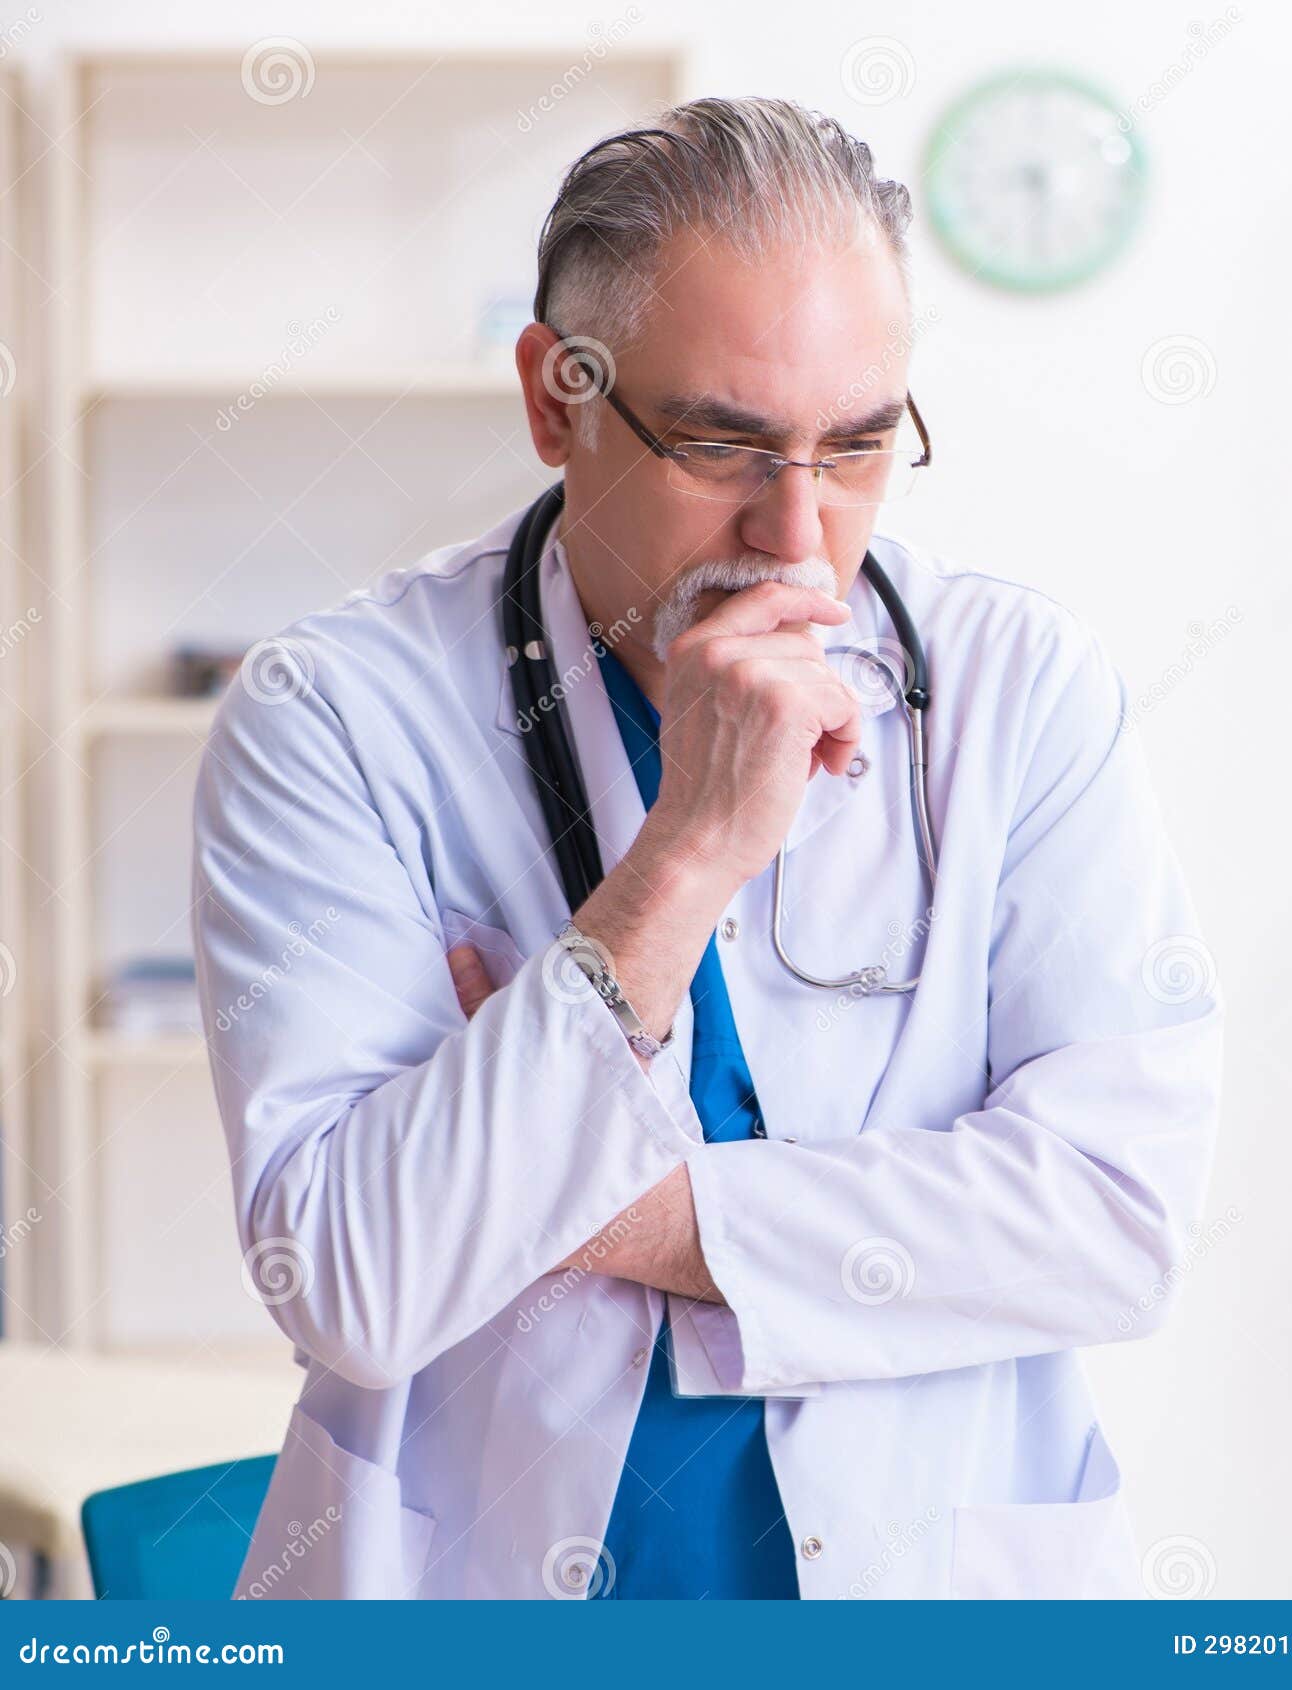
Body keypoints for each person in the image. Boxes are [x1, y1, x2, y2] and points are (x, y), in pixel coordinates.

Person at [192, 95, 1222, 1601]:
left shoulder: (1018, 692)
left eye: (860, 445)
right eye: (722, 445)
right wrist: (677, 863)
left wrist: (617, 1211)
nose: (797, 538)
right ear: (557, 397)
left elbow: (1116, 1221)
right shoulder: (336, 716)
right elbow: (352, 1276)